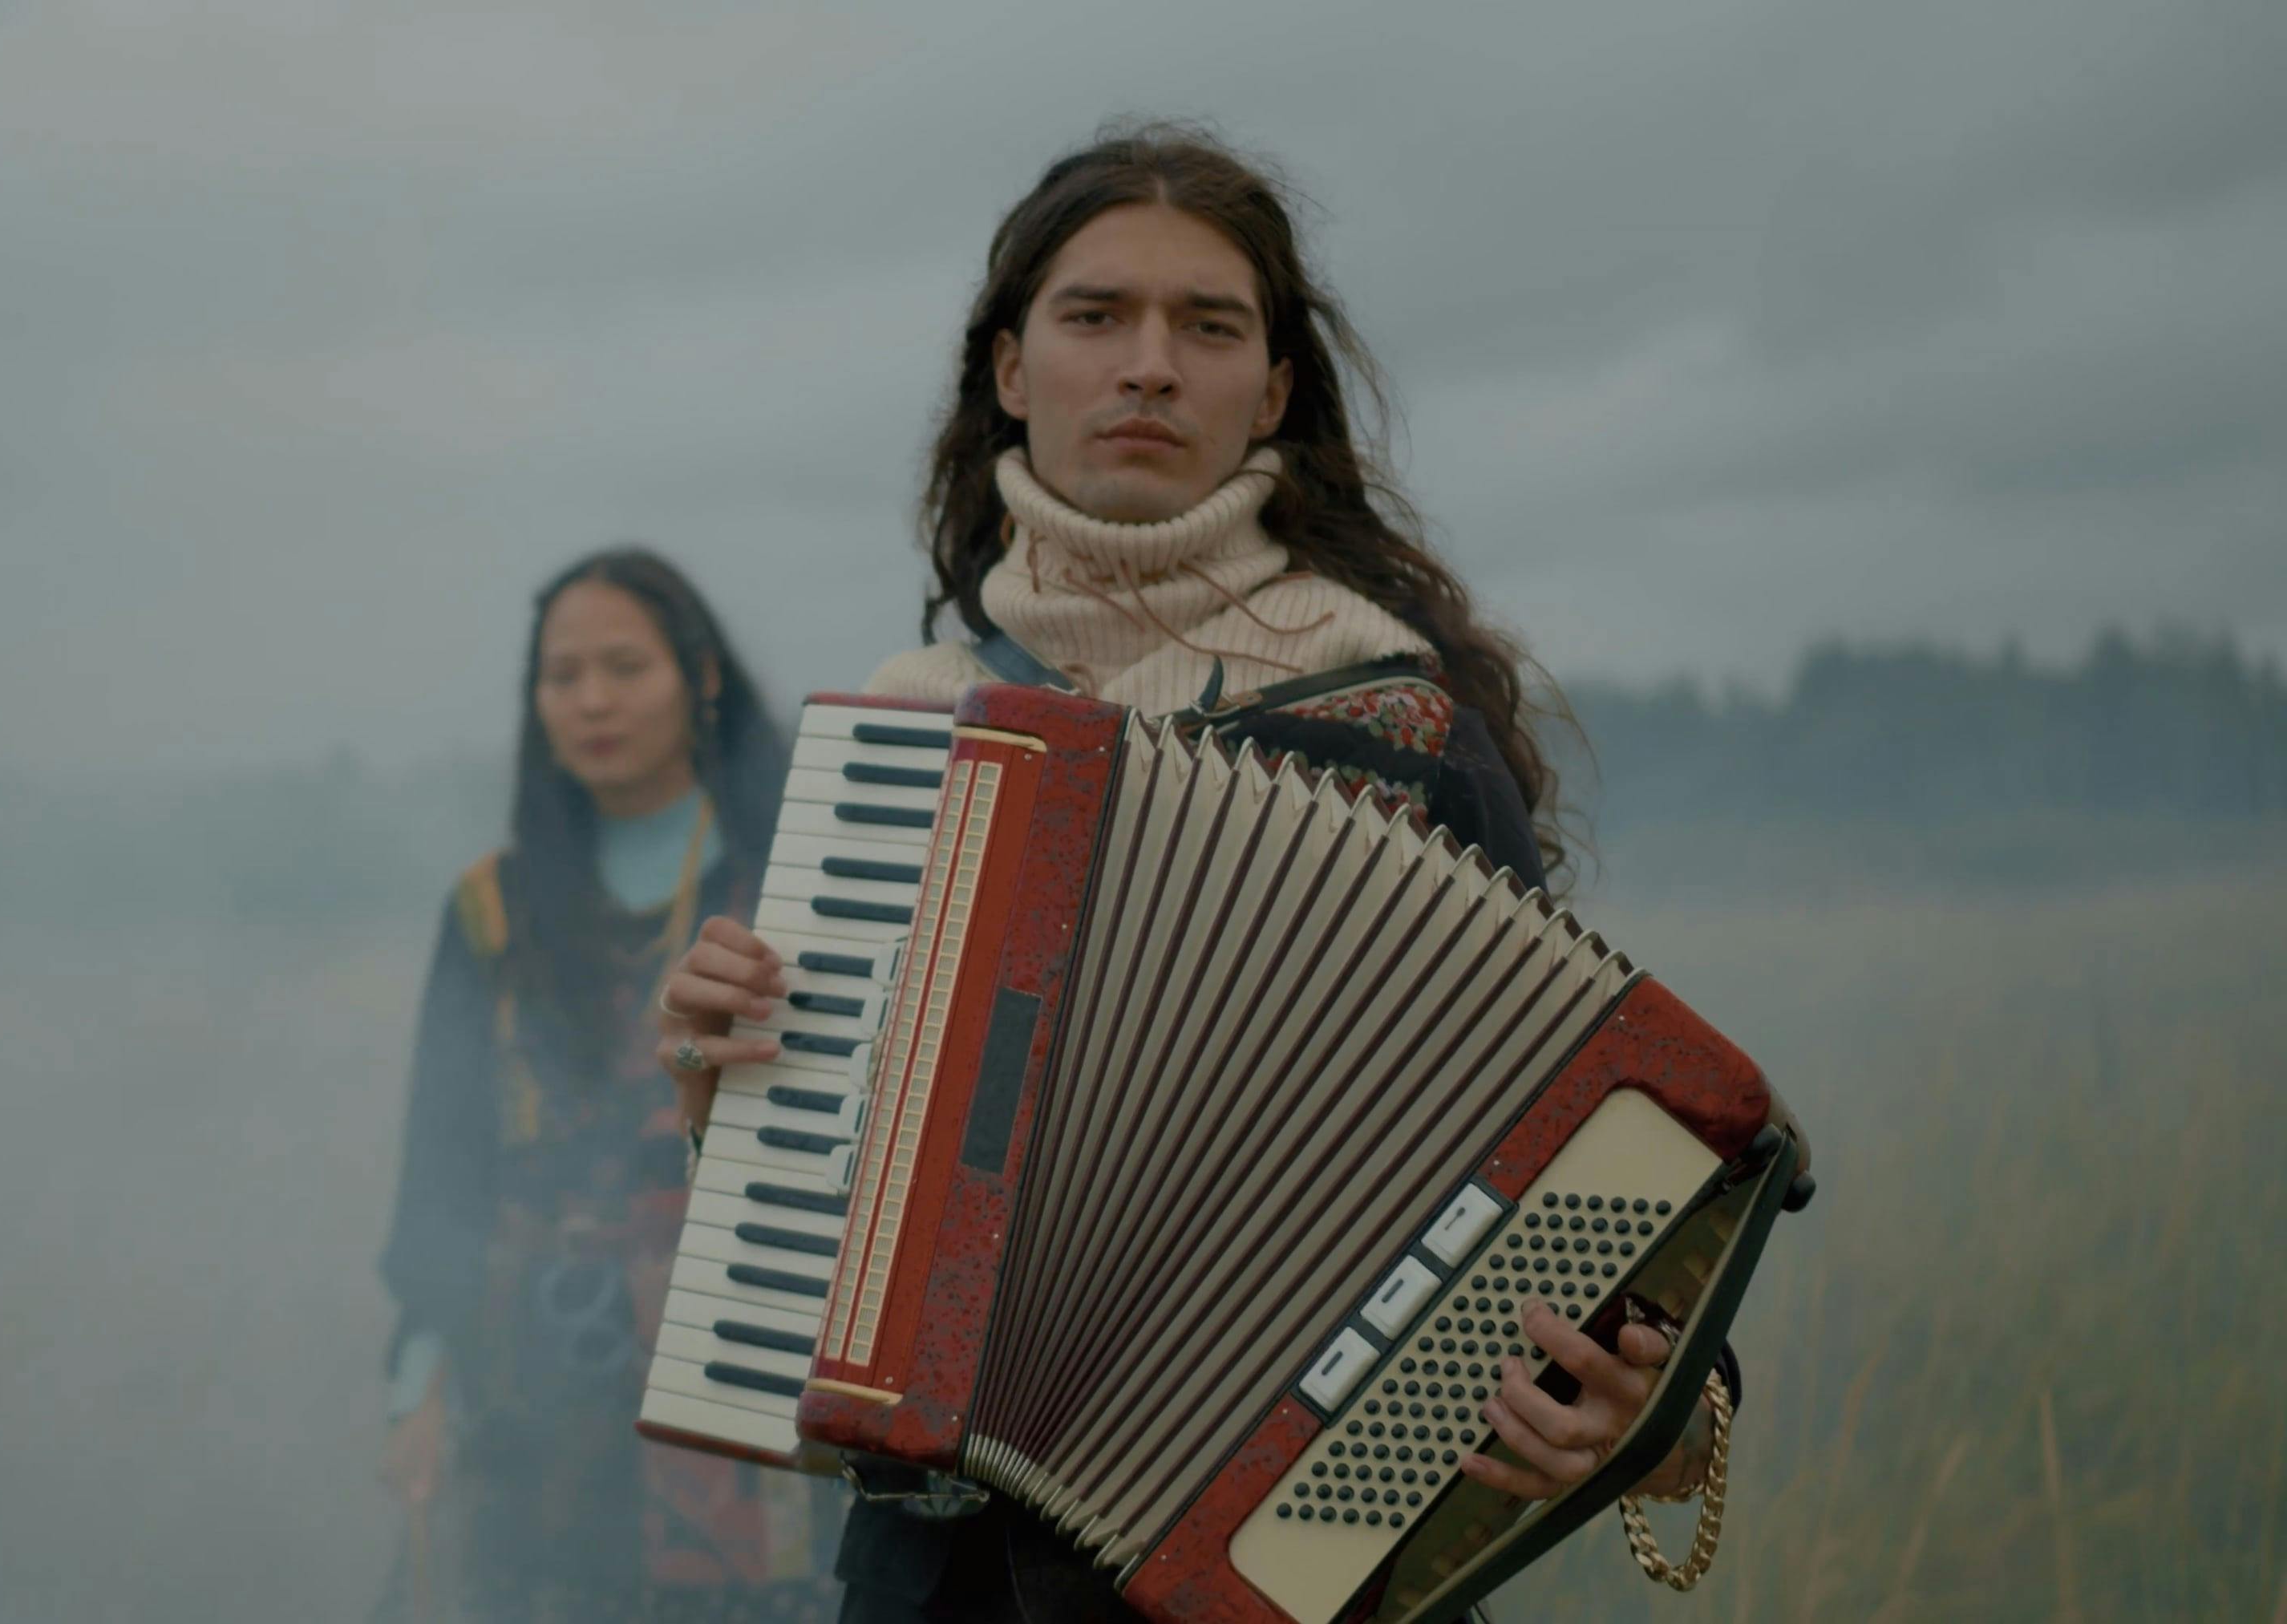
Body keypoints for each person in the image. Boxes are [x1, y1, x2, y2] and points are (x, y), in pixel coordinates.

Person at [653, 123, 1747, 1621]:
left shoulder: (1400, 721)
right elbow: (821, 1279)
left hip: (1299, 1563)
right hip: (943, 1580)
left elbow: (1573, 1149)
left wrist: (1654, 1407)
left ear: (1275, 389)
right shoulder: (908, 730)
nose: (1150, 364)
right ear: (1011, 371)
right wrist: (739, 1114)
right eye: (1096, 315)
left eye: (1208, 324)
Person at [374, 546, 848, 1622]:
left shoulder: (804, 878)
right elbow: (444, 1170)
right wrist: (414, 1391)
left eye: (624, 666)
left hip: (750, 1379)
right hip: (531, 1399)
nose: (591, 699)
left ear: (702, 678)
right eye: (562, 674)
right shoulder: (490, 910)